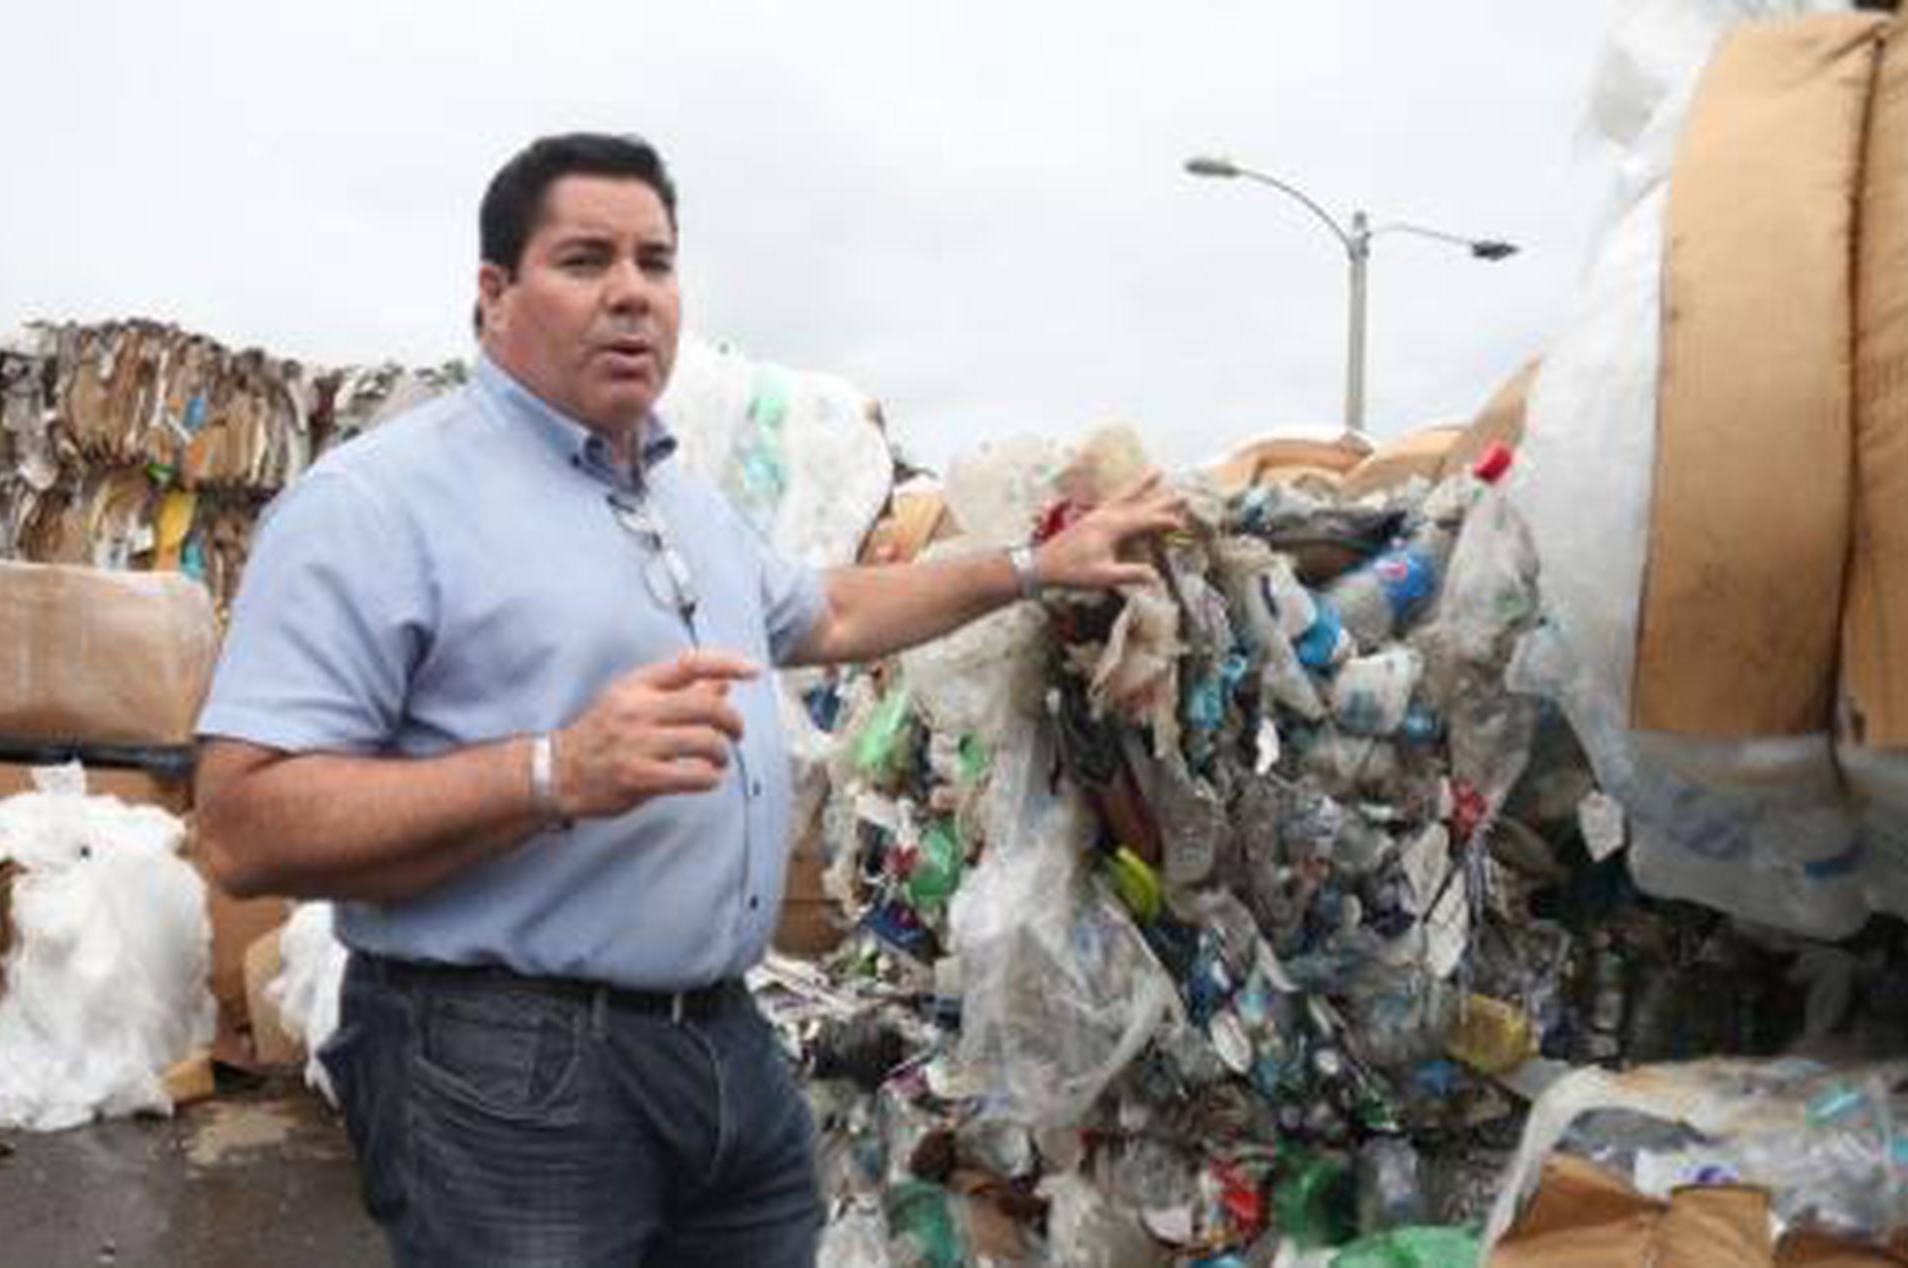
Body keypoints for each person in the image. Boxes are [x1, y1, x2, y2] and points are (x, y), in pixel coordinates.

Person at [194, 131, 1187, 1268]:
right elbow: (240, 823)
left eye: (654, 262)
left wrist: (1027, 566)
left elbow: (831, 614)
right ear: (493, 293)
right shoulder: (378, 503)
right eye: (583, 260)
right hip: (505, 1059)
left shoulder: (674, 499)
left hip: (718, 1041)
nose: (630, 293)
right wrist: (552, 770)